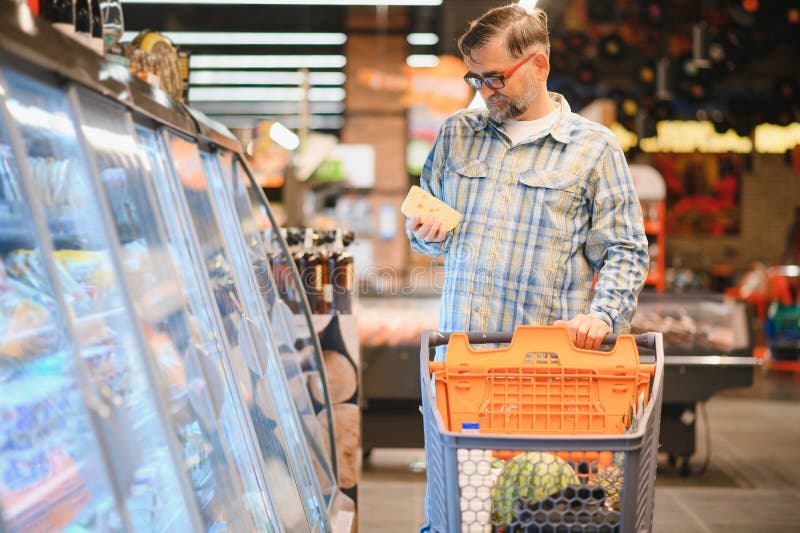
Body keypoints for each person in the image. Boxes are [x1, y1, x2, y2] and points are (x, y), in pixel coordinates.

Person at [406, 3, 649, 356]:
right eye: (476, 79)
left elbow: (625, 250)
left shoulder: (594, 148)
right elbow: (428, 237)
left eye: (496, 77)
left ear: (539, 65)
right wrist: (424, 233)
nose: (486, 91)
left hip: (543, 372)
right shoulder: (455, 135)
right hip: (460, 367)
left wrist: (603, 316)